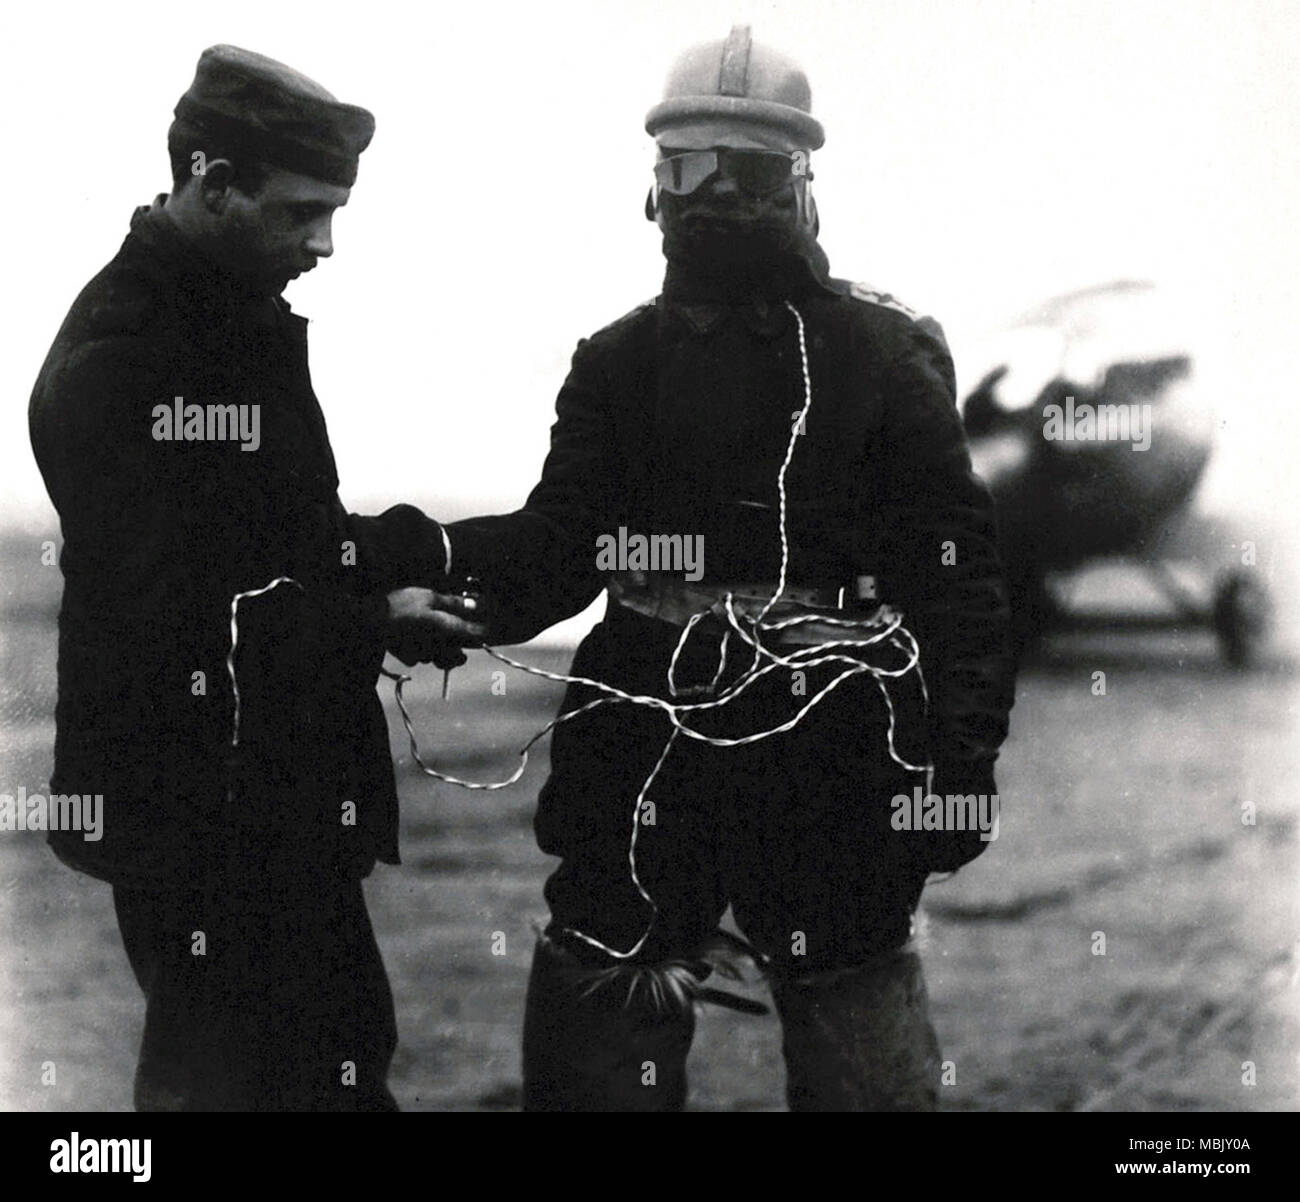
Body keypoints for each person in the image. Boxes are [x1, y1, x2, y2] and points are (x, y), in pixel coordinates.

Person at [439, 25, 1017, 1110]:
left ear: (801, 186)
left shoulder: (885, 358)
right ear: (650, 189)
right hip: (643, 735)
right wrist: (420, 573)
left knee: (856, 1004)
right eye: (682, 167)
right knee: (603, 991)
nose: (708, 197)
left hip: (834, 743)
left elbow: (959, 580)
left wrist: (961, 762)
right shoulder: (615, 362)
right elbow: (561, 547)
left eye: (742, 173)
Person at [28, 44, 481, 1111]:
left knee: (335, 1061)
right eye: (301, 212)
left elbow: (282, 539)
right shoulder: (125, 353)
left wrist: (421, 562)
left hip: (271, 801)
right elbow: (190, 607)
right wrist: (374, 613)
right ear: (212, 180)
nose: (323, 242)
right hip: (201, 819)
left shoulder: (221, 318)